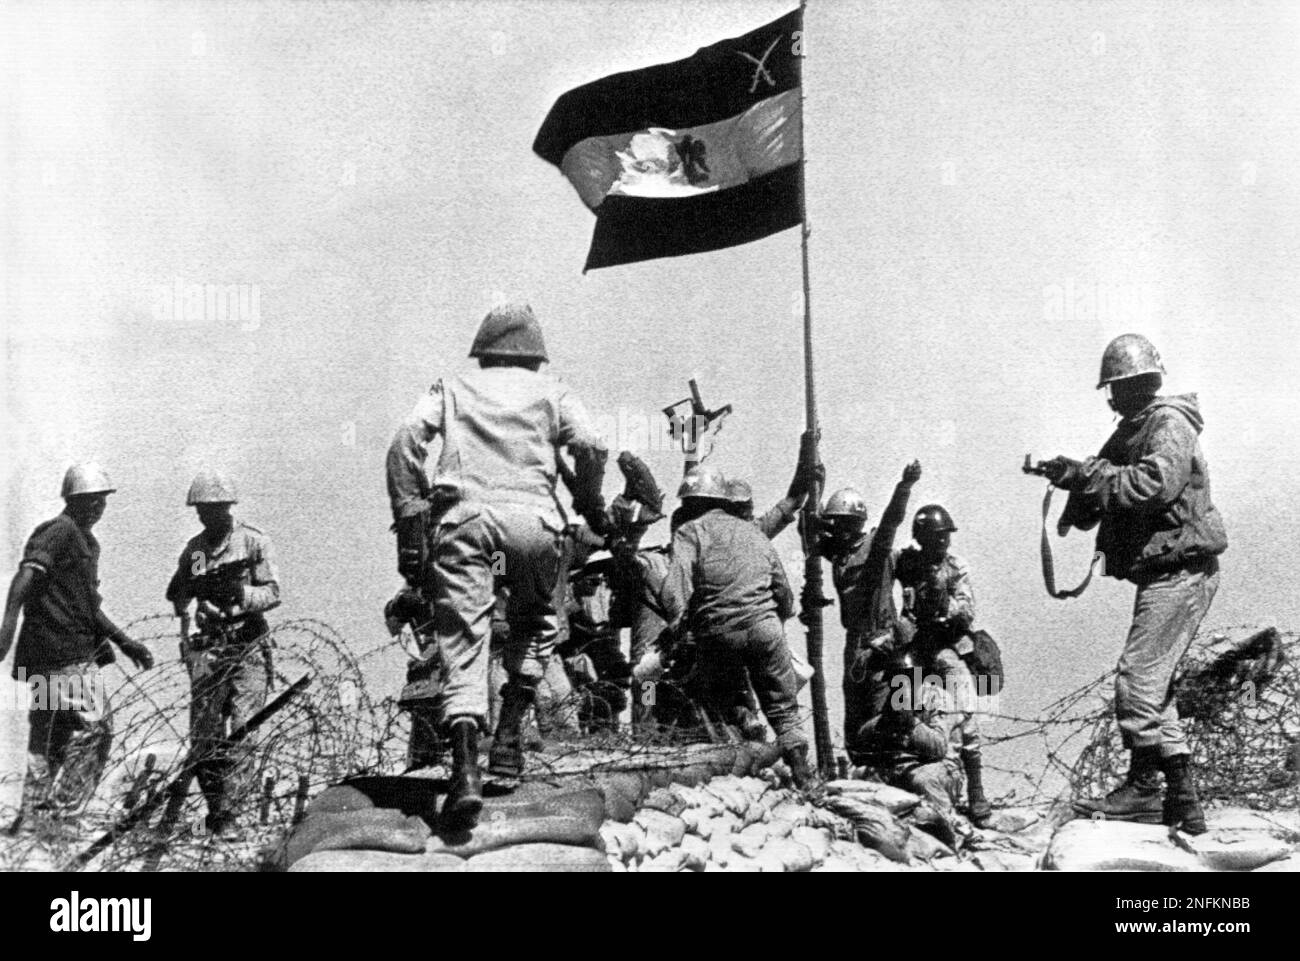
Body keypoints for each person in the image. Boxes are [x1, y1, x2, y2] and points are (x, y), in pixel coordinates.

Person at [386, 302, 607, 827]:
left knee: (464, 642)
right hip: (534, 523)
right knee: (536, 624)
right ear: (535, 352)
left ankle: (464, 771)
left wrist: (413, 508)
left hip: (463, 519)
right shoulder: (554, 389)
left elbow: (403, 443)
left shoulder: (451, 386)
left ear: (483, 348)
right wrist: (591, 500)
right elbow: (593, 445)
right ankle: (508, 739)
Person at [1044, 333, 1227, 835]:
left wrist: (1087, 479)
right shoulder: (1135, 427)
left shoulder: (1168, 423)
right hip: (1166, 571)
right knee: (1155, 688)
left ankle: (1145, 790)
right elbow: (1099, 483)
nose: (1109, 399)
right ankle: (1185, 804)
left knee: (1137, 678)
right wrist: (1071, 479)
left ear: (1133, 386)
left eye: (1113, 389)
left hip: (1180, 570)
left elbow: (1152, 484)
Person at [0, 464, 153, 833]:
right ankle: (64, 814)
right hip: (64, 653)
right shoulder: (60, 531)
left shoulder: (86, 544)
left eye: (102, 502)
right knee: (96, 728)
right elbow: (24, 580)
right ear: (74, 501)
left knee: (49, 738)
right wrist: (5, 631)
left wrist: (125, 642)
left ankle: (33, 819)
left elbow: (88, 606)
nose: (98, 508)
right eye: (91, 501)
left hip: (50, 655)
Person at [659, 467, 817, 789]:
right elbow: (784, 596)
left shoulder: (690, 532)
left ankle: (743, 767)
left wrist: (680, 629)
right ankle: (804, 778)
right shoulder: (755, 533)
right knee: (785, 711)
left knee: (729, 704)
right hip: (765, 628)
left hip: (719, 633)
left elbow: (674, 589)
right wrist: (771, 621)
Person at [165, 469, 280, 838]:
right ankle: (216, 808)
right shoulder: (197, 550)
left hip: (246, 644)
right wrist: (192, 621)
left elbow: (273, 593)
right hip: (209, 646)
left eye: (213, 509)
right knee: (205, 735)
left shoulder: (252, 542)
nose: (205, 515)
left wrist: (239, 597)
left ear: (228, 508)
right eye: (201, 510)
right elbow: (184, 593)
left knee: (244, 731)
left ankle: (231, 814)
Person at [894, 504, 991, 827]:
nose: (942, 542)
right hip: (919, 648)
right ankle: (920, 785)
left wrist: (942, 603)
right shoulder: (908, 562)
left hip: (949, 646)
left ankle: (977, 797)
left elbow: (966, 610)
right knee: (905, 708)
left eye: (944, 536)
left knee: (967, 719)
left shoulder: (954, 566)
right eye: (935, 537)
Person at [822, 461, 922, 762]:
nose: (835, 529)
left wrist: (903, 487)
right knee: (854, 718)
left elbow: (891, 521)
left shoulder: (874, 549)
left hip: (881, 641)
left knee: (881, 710)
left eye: (840, 523)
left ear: (853, 524)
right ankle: (864, 765)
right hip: (854, 643)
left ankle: (889, 764)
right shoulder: (840, 554)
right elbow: (814, 531)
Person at [854, 654, 966, 821]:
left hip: (942, 767)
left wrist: (911, 723)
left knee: (923, 780)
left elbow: (939, 748)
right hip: (904, 764)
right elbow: (863, 738)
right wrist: (885, 719)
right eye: (894, 679)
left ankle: (950, 826)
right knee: (860, 775)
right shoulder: (893, 699)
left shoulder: (937, 698)